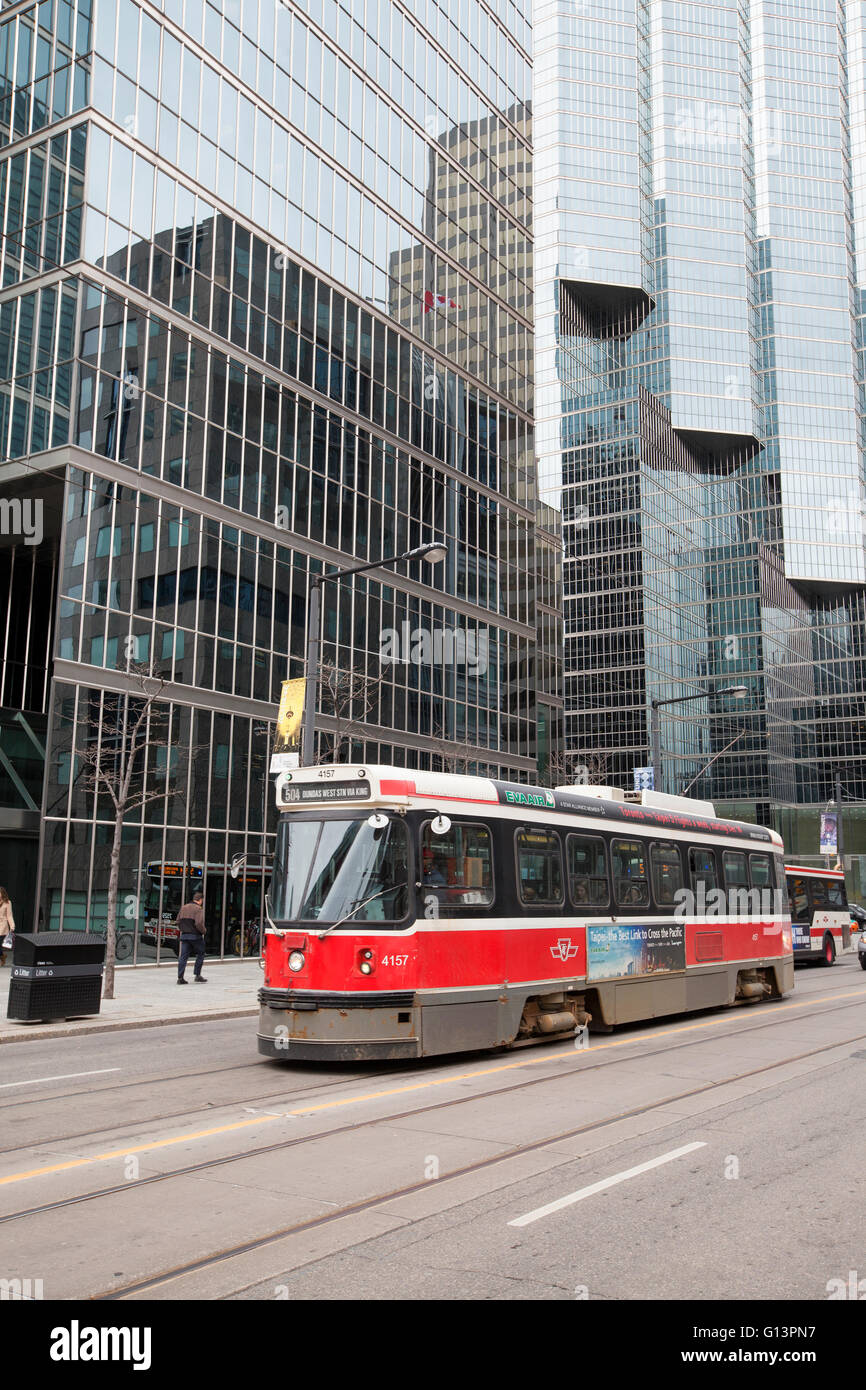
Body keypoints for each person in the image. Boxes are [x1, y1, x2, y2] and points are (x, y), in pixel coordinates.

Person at [176, 889, 207, 983]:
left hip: (185, 936)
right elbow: (198, 923)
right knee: (201, 953)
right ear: (200, 900)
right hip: (195, 936)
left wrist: (183, 929)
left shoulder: (184, 907)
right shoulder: (198, 909)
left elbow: (177, 921)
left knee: (183, 957)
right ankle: (197, 975)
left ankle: (180, 978)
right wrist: (204, 931)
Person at [0, 886, 14, 966]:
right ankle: (2, 956)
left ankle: (2, 956)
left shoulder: (8, 902)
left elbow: (9, 915)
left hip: (3, 927)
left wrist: (12, 926)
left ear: (2, 893)